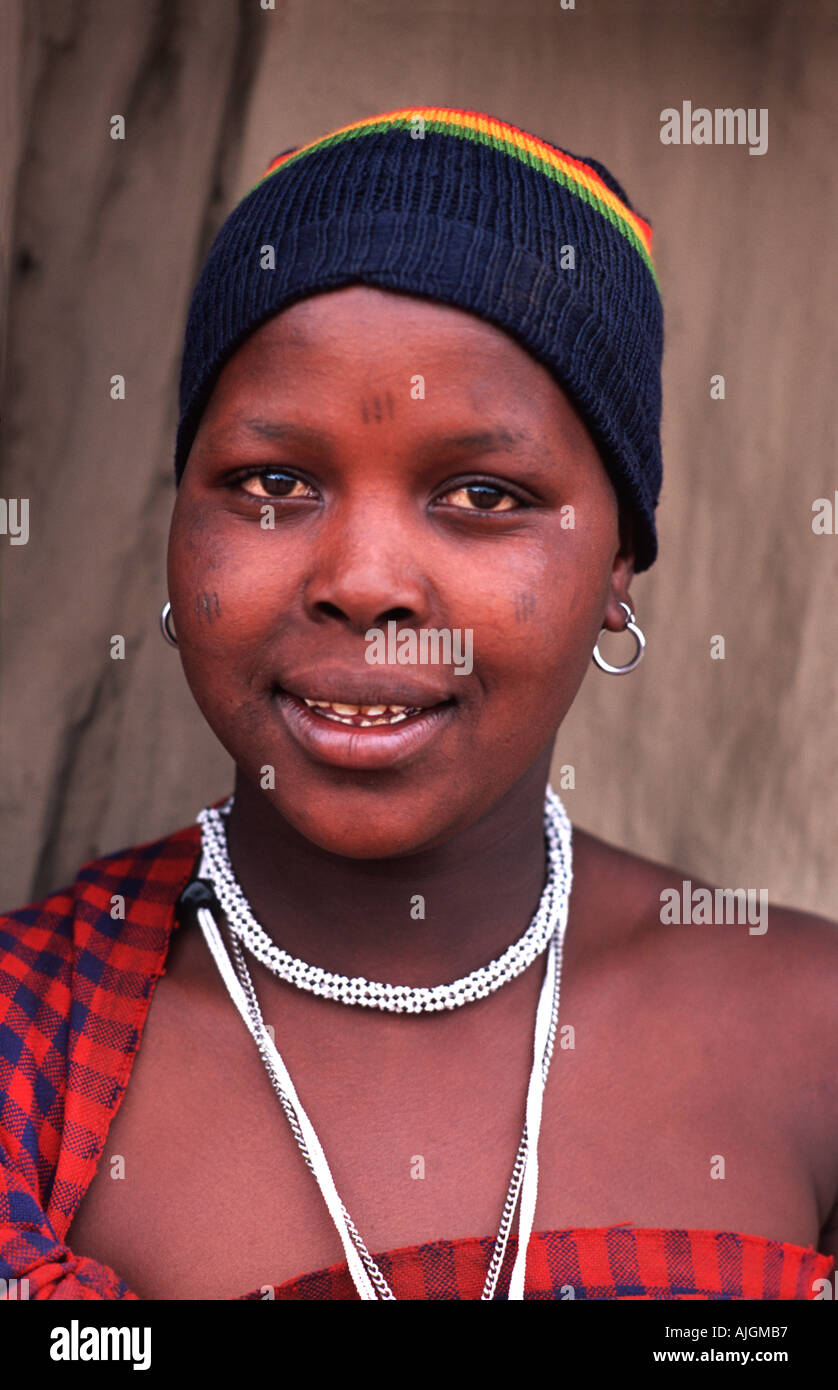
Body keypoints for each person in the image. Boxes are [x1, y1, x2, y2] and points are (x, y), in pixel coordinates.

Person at [1, 107, 836, 1302]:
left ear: (617, 569)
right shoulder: (32, 1041)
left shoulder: (811, 1035)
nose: (361, 583)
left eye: (484, 492)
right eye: (272, 482)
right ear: (179, 538)